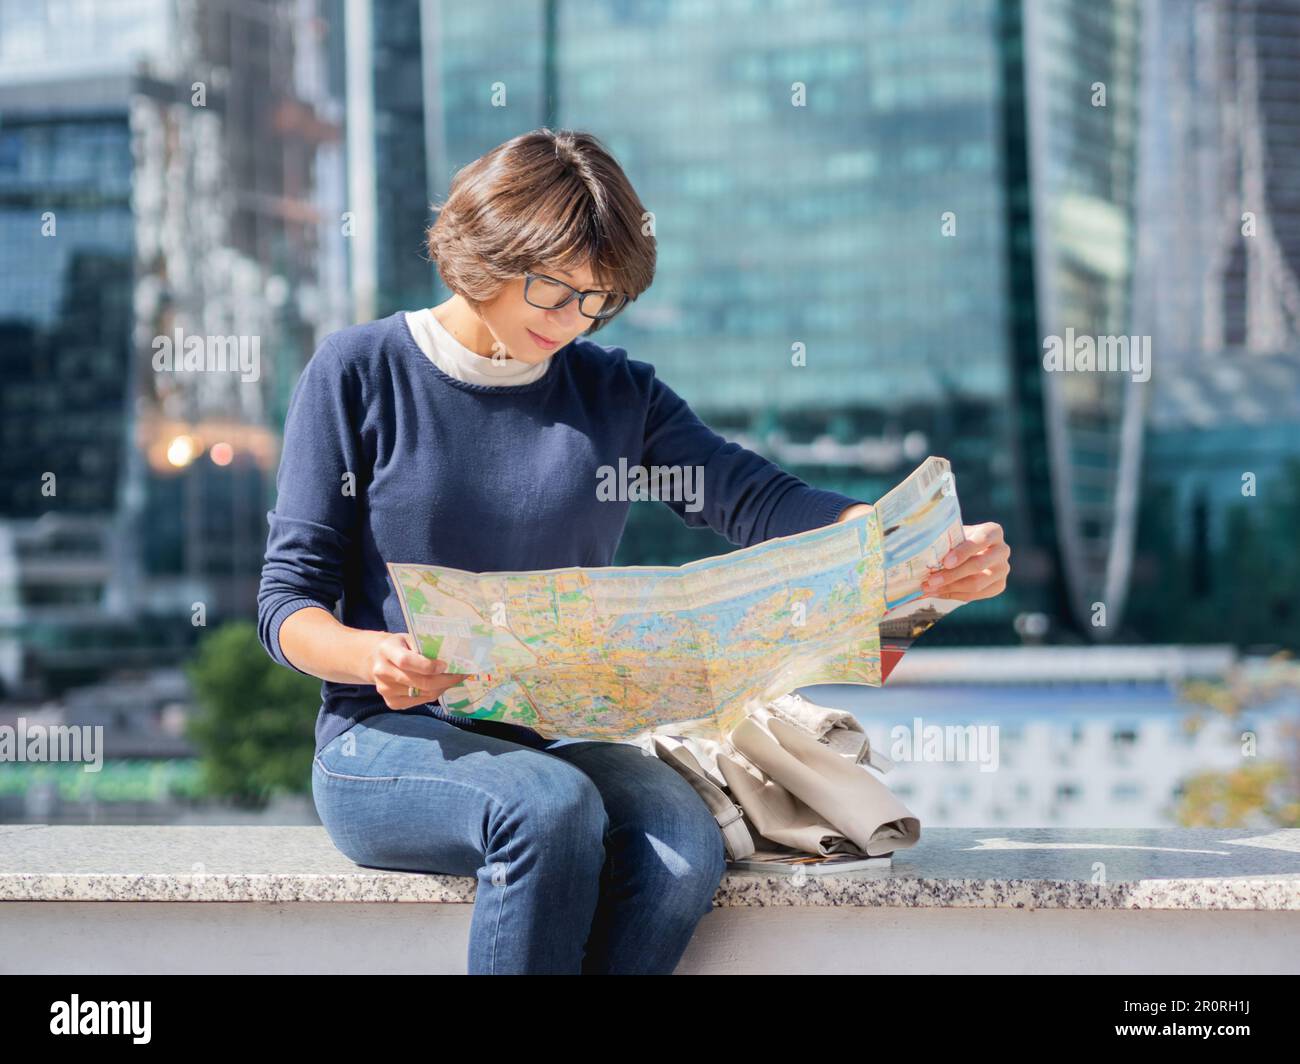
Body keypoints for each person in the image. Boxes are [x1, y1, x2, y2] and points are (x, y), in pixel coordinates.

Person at [256, 128, 1011, 974]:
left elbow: (754, 499)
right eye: (553, 292)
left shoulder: (615, 393)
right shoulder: (360, 371)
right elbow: (286, 602)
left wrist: (909, 546)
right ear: (482, 253)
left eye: (598, 300)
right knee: (547, 809)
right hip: (385, 741)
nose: (572, 320)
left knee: (685, 846)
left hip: (561, 735)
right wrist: (375, 656)